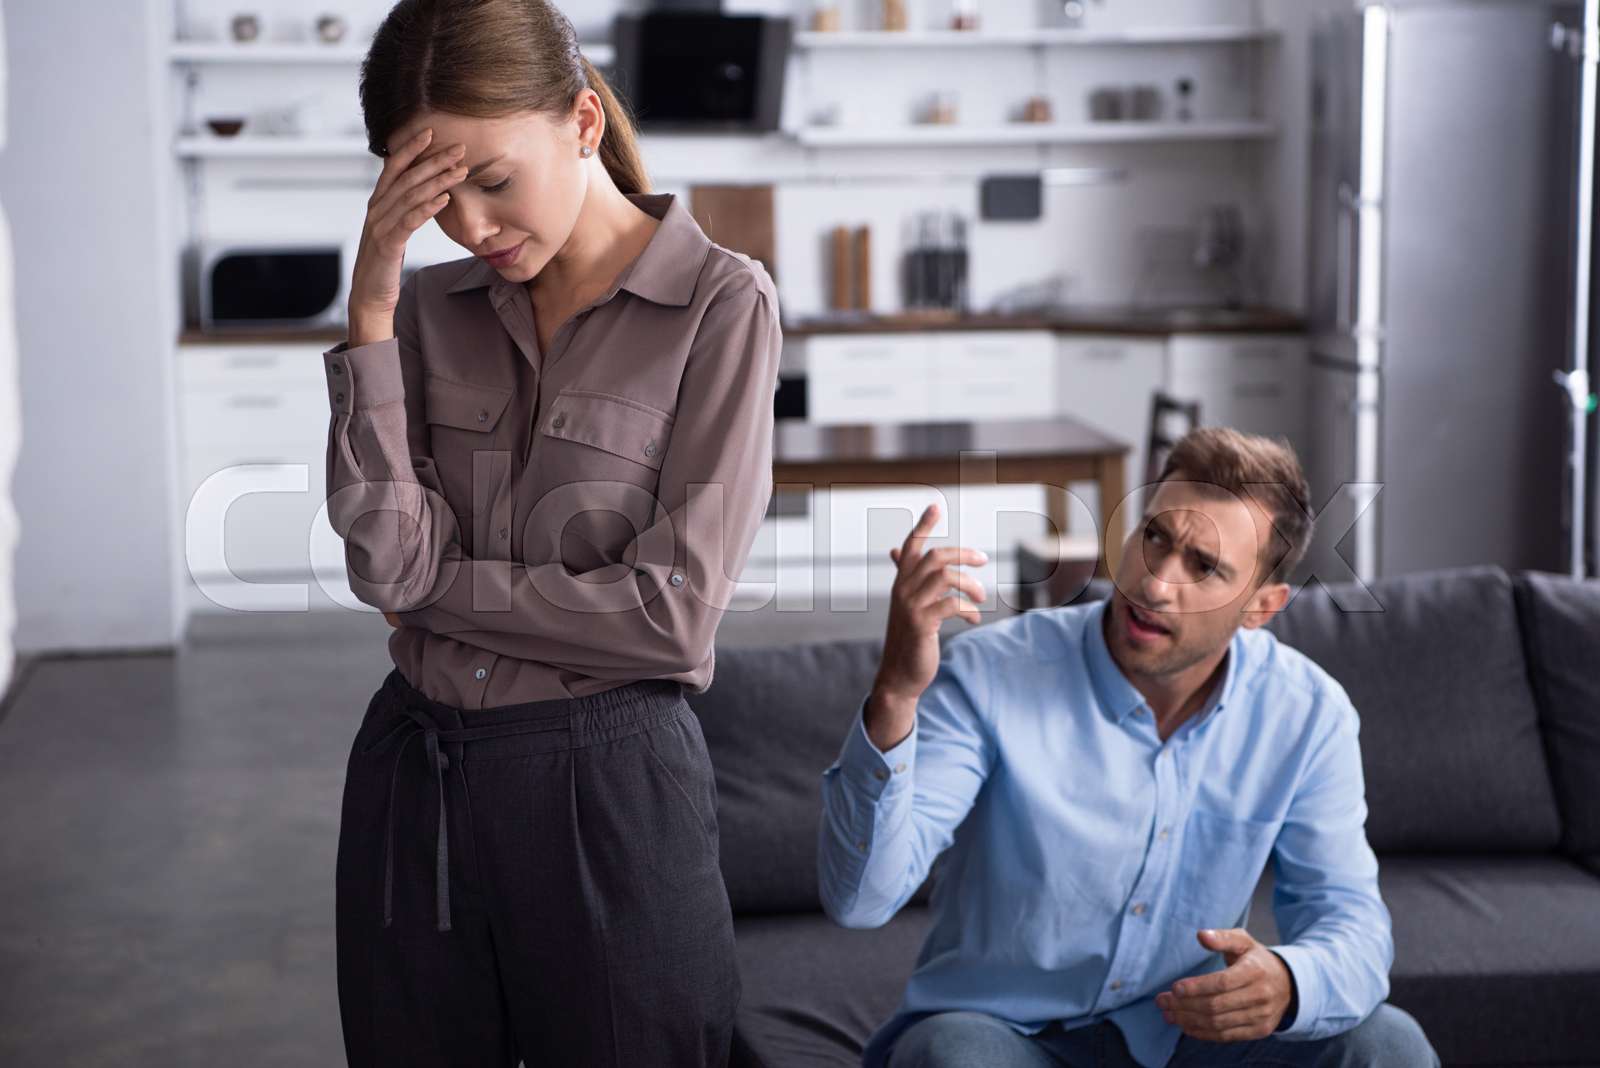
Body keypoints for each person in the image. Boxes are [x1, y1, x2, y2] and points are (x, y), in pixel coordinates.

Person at [321, 2, 781, 1064]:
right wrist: (373, 303)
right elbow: (382, 562)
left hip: (607, 790)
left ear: (582, 121)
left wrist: (438, 587)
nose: (472, 228)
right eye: (432, 198)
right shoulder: (424, 313)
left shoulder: (719, 306)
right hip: (414, 779)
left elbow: (668, 621)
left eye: (492, 180)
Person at [818, 427, 1441, 1067]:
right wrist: (896, 690)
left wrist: (1289, 984)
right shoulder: (991, 673)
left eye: (1204, 566)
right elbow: (860, 901)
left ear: (1261, 606)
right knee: (949, 1057)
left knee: (1388, 1045)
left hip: (1191, 1043)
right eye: (1155, 537)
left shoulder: (1307, 714)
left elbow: (1353, 925)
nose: (1156, 583)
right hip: (1011, 1040)